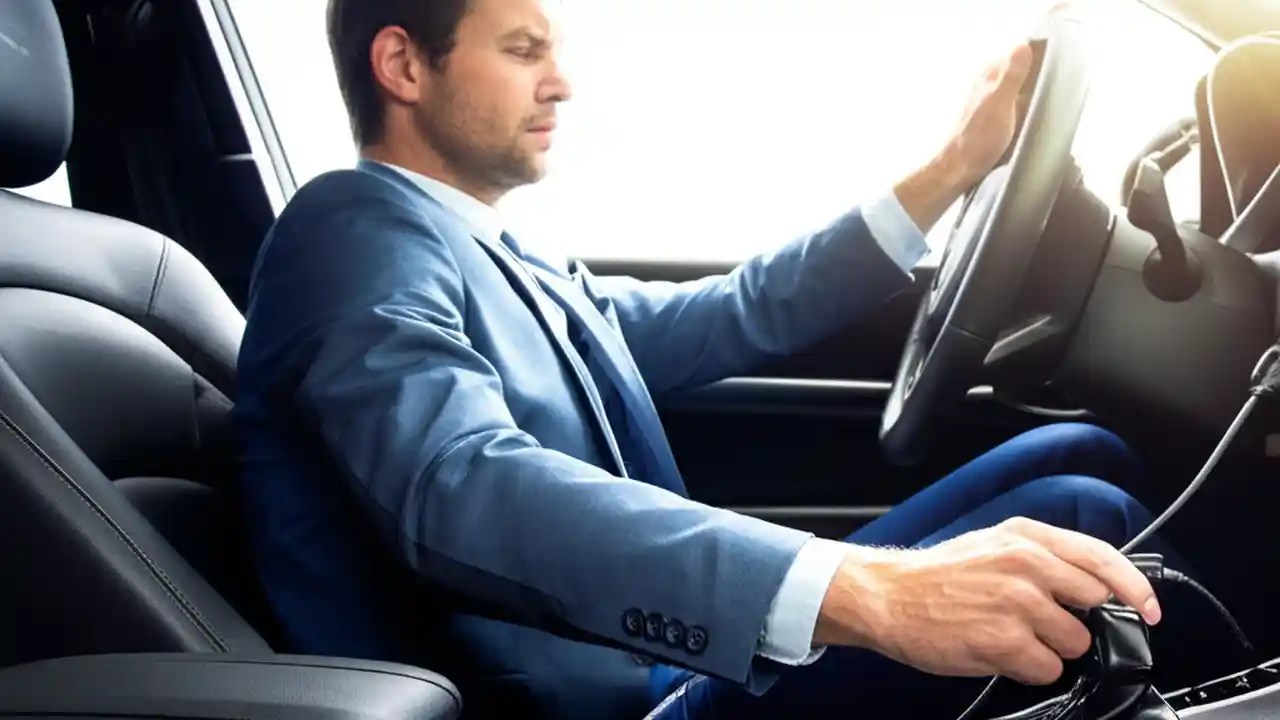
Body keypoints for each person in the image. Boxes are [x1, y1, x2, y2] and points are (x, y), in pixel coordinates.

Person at [232, 0, 1173, 717]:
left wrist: (950, 172)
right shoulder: (351, 232)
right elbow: (457, 482)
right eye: (523, 51)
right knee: (1082, 520)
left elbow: (733, 313)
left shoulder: (494, 251)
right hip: (612, 703)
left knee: (1075, 456)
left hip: (655, 668)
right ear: (402, 64)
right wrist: (869, 590)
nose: (561, 83)